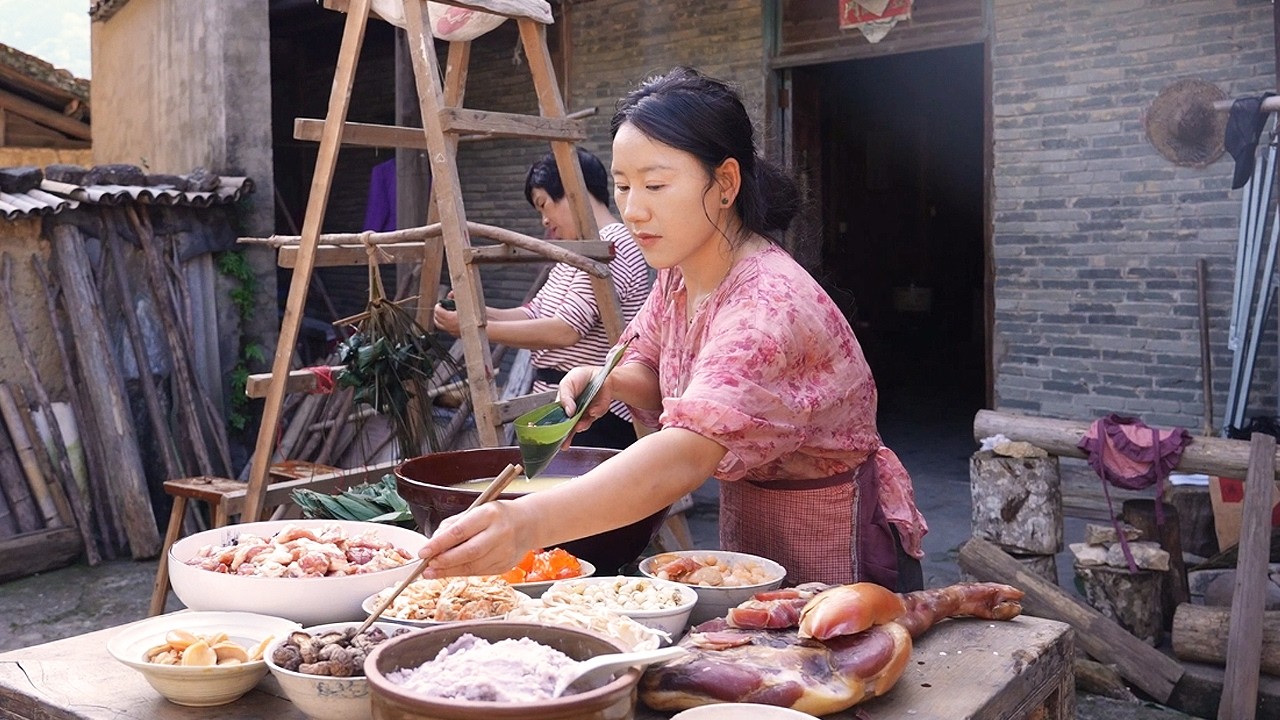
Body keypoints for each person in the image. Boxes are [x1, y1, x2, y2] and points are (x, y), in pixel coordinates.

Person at [421, 67, 927, 591]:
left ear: (725, 183)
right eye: (622, 186)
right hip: (755, 526)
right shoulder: (678, 275)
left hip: (836, 539)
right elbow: (651, 362)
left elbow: (685, 454)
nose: (634, 209)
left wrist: (525, 522)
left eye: (657, 185)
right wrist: (611, 381)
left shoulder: (766, 305)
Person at [433, 148, 650, 450]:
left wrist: (473, 328)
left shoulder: (614, 246)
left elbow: (565, 330)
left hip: (596, 411)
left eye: (544, 205)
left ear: (575, 192)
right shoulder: (577, 250)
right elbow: (537, 312)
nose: (545, 220)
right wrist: (479, 313)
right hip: (566, 403)